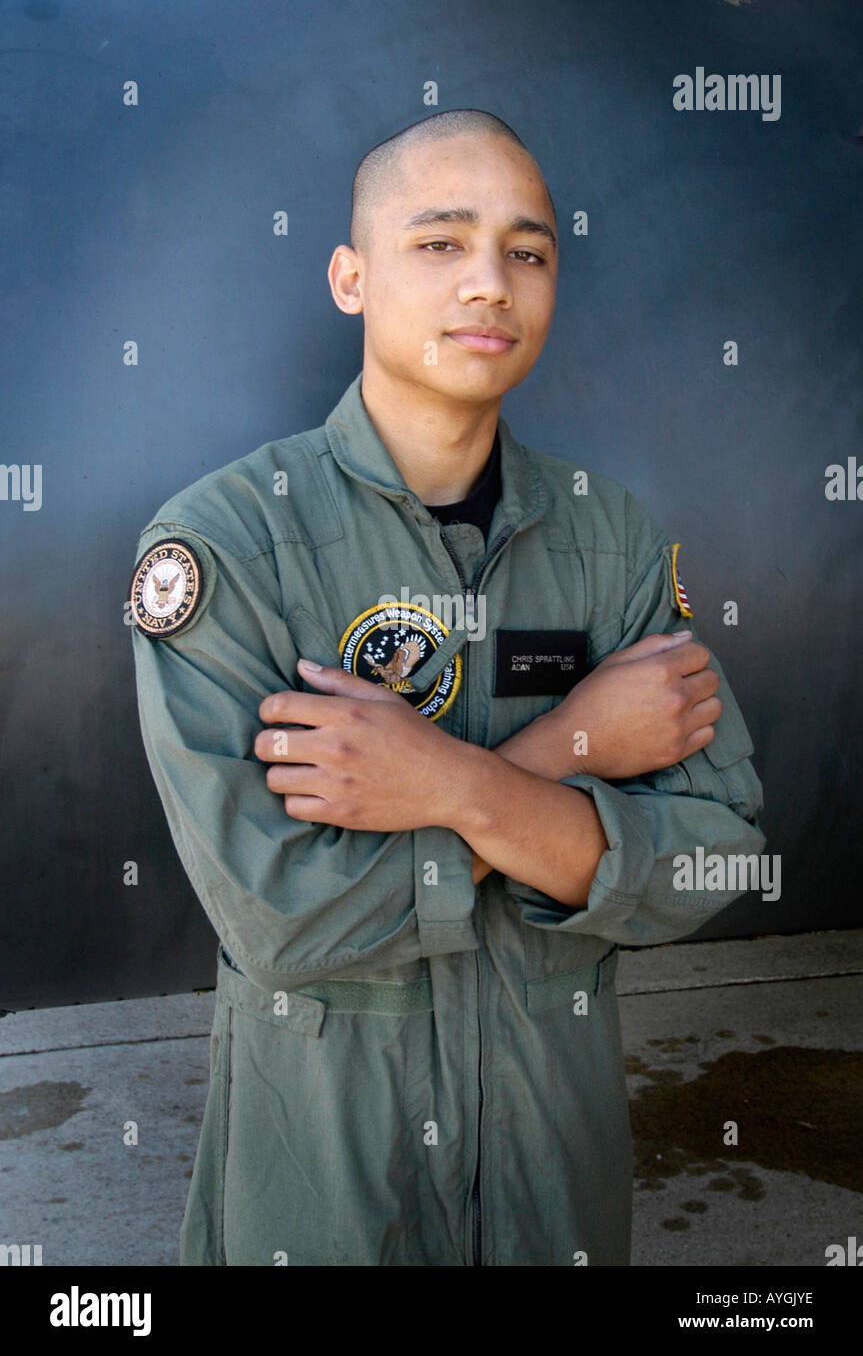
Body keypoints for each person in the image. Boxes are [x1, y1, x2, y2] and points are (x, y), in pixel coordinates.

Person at [129, 108, 766, 1266]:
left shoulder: (611, 539)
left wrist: (440, 784)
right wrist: (563, 753)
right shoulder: (225, 546)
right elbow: (283, 916)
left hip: (552, 1190)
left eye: (527, 251)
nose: (489, 282)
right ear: (350, 277)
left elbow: (710, 855)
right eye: (439, 242)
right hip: (326, 1199)